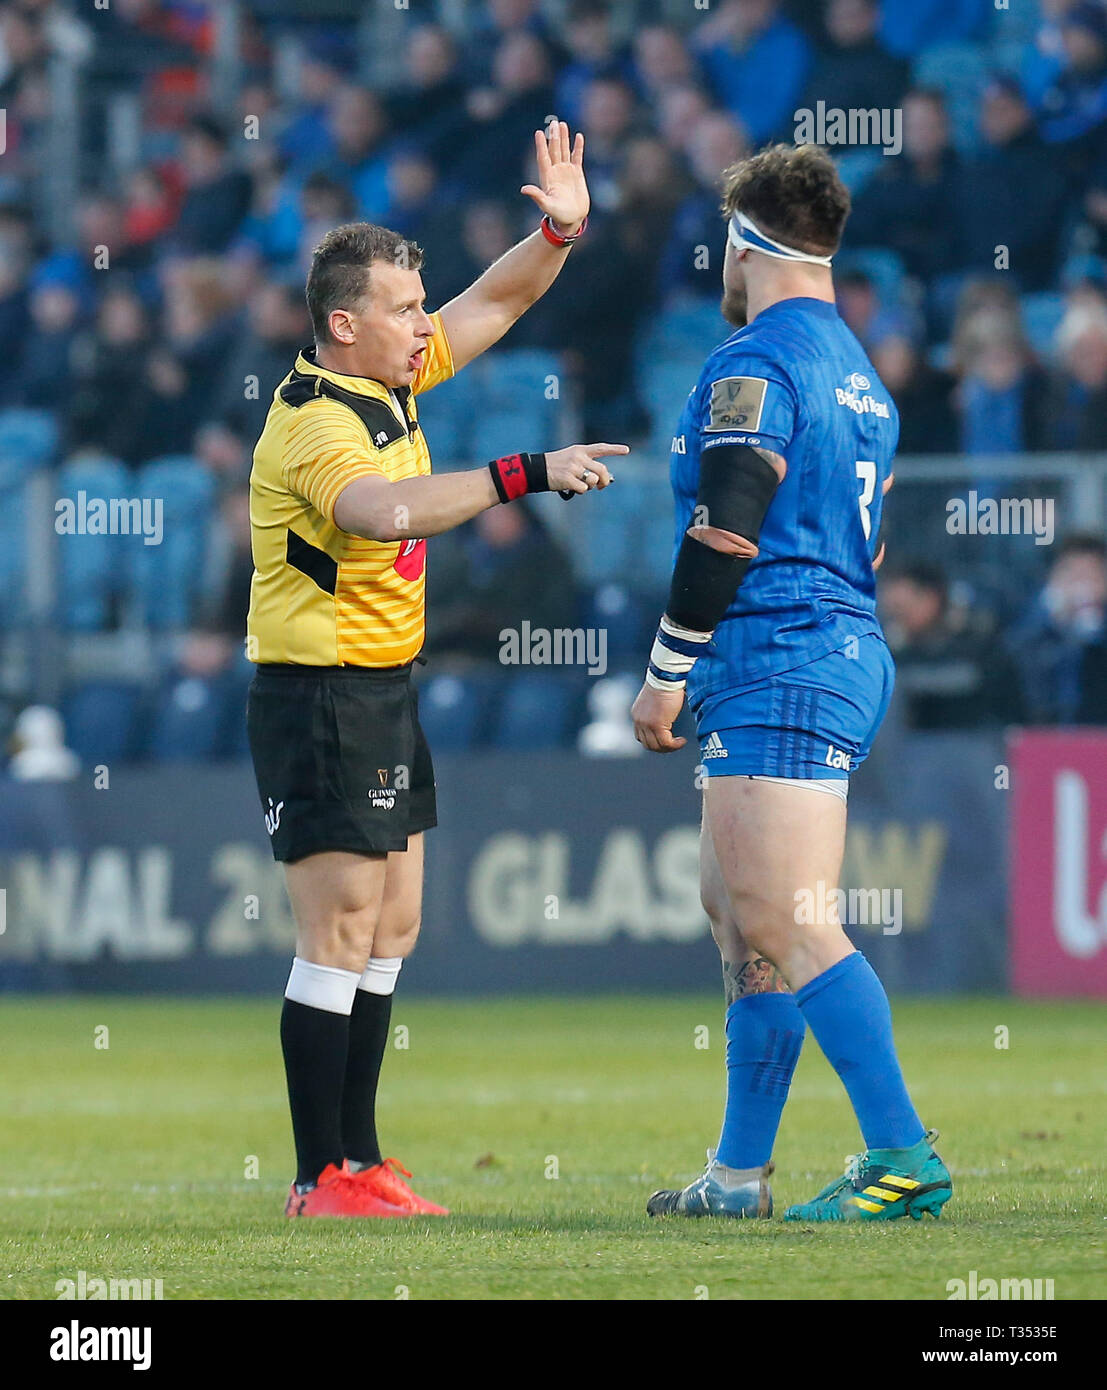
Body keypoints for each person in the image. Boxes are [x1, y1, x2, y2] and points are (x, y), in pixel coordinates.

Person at [246, 122, 625, 1220]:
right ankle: (321, 1177)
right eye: (408, 309)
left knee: (393, 923)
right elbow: (386, 510)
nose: (427, 322)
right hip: (318, 694)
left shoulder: (390, 379)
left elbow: (497, 303)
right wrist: (526, 471)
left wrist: (559, 228)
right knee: (339, 924)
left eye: (422, 304)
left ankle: (360, 1157)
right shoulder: (316, 422)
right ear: (343, 323)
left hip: (382, 684)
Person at [630, 143, 952, 1222]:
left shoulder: (754, 363)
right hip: (818, 650)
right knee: (739, 913)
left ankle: (905, 1158)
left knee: (788, 909)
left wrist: (665, 673)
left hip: (783, 655)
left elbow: (726, 528)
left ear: (745, 243)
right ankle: (737, 1175)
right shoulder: (864, 376)